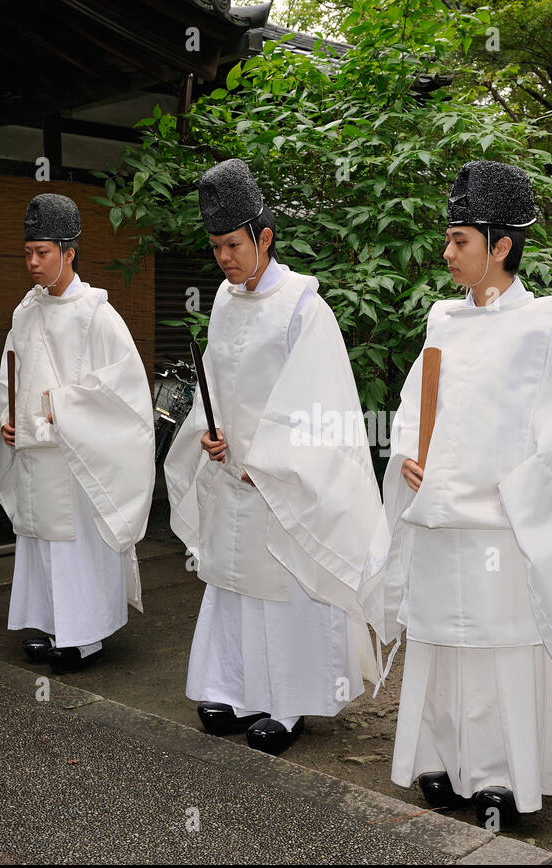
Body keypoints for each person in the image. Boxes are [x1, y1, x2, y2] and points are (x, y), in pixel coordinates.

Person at [382, 160, 552, 829]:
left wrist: (509, 482)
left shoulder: (546, 329)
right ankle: (441, 758)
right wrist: (408, 454)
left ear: (500, 245)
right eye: (448, 239)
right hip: (440, 522)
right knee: (441, 645)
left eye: (459, 240)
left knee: (499, 654)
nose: (447, 254)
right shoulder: (443, 321)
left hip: (504, 528)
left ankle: (502, 776)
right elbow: (415, 406)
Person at [164, 159, 388, 755]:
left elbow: (317, 399)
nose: (224, 259)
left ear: (263, 237)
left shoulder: (301, 306)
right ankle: (231, 688)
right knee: (232, 579)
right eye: (215, 248)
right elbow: (214, 376)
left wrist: (269, 462)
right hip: (229, 470)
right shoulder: (223, 299)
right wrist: (206, 434)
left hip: (279, 478)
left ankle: (286, 705)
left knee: (281, 581)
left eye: (233, 245)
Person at [0, 193, 155, 674]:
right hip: (35, 457)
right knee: (41, 546)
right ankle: (53, 625)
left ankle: (85, 637)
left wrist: (58, 413)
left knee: (76, 549)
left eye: (42, 252)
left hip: (77, 458)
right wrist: (10, 418)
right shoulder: (25, 313)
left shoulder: (97, 315)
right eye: (27, 252)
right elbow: (9, 376)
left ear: (69, 253)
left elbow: (122, 394)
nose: (33, 263)